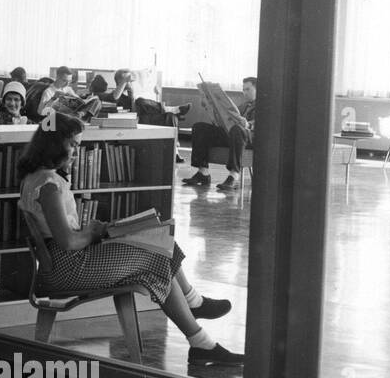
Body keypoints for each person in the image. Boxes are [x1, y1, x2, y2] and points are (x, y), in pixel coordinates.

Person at [17, 113, 241, 365]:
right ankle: (199, 333)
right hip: (68, 266)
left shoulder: (35, 177)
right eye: (73, 145)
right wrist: (92, 231)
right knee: (156, 253)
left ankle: (195, 311)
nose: (76, 152)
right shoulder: (49, 185)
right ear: (54, 144)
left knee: (157, 237)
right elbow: (68, 242)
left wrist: (97, 232)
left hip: (63, 263)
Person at [183, 77, 256, 192]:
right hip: (234, 134)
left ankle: (234, 176)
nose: (245, 93)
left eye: (248, 89)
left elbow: (265, 124)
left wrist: (249, 124)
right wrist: (213, 111)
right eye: (243, 90)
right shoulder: (243, 106)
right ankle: (203, 172)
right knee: (199, 127)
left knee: (237, 129)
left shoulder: (265, 106)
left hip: (251, 137)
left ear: (257, 89)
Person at [38, 66, 102, 121]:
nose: (67, 84)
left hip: (73, 114)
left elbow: (80, 102)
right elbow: (40, 111)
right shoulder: (49, 91)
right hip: (60, 117)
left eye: (69, 81)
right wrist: (53, 98)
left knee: (97, 101)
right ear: (57, 77)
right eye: (64, 80)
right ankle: (80, 117)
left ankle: (79, 115)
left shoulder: (68, 89)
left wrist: (88, 99)